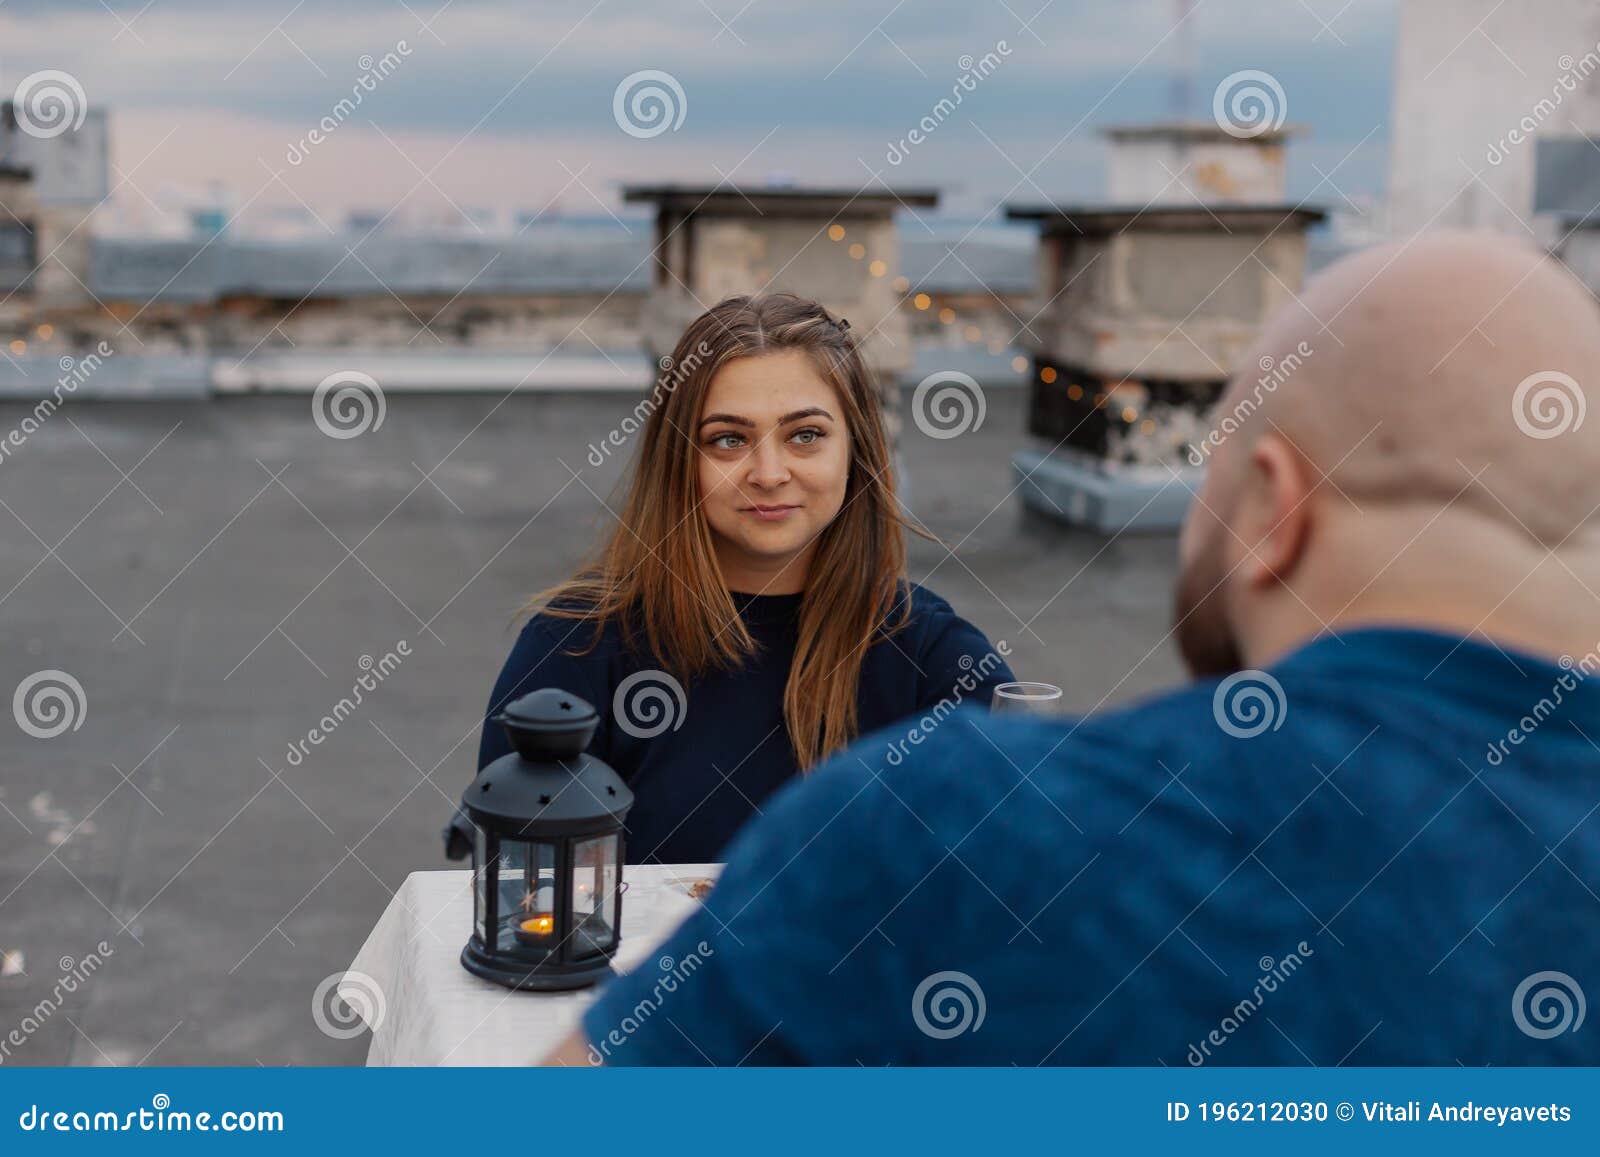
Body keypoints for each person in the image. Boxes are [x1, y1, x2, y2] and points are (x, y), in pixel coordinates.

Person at [542, 231, 1600, 1065]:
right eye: (728, 437)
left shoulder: (930, 821)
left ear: (1274, 509)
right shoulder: (587, 640)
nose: (769, 469)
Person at [478, 292, 1013, 865]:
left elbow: (1005, 873)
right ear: (679, 458)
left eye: (805, 434)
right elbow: (520, 895)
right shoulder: (574, 648)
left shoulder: (934, 658)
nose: (769, 473)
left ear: (857, 451)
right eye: (728, 440)